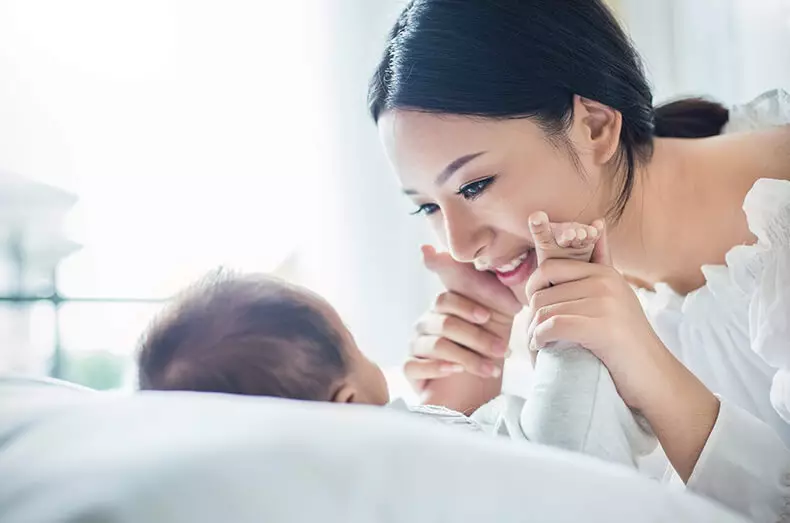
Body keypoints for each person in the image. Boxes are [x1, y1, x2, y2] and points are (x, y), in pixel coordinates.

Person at [367, 0, 790, 521]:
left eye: (474, 185)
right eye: (428, 206)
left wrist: (649, 367)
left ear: (594, 126)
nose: (460, 246)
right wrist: (473, 411)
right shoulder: (569, 311)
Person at [137, 224, 654, 468]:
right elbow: (562, 456)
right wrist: (562, 311)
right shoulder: (397, 446)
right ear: (347, 406)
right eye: (355, 345)